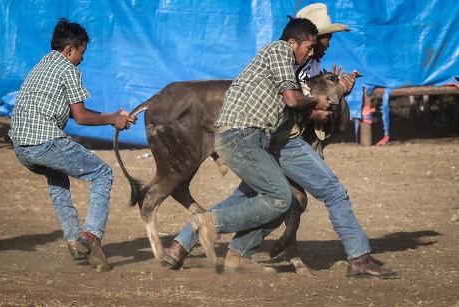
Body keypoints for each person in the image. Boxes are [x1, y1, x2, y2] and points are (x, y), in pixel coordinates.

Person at [164, 3, 397, 278]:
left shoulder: (307, 63)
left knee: (256, 196)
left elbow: (303, 106)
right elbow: (294, 101)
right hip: (278, 139)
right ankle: (358, 259)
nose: (325, 45)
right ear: (306, 38)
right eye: (324, 39)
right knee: (318, 194)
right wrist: (321, 103)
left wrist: (334, 95)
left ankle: (190, 244)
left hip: (269, 137)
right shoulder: (286, 55)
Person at [186, 17, 330, 269]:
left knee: (288, 198)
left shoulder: (284, 65)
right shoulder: (279, 50)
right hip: (242, 135)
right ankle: (210, 222)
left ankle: (238, 256)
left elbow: (290, 105)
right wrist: (317, 101)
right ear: (293, 42)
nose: (310, 53)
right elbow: (293, 100)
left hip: (251, 138)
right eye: (308, 47)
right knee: (280, 198)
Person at [7, 18, 136, 272]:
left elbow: (80, 111)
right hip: (45, 140)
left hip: (21, 147)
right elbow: (81, 117)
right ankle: (90, 236)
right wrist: (113, 119)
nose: (83, 58)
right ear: (70, 50)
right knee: (102, 173)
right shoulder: (69, 69)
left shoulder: (42, 64)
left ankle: (73, 241)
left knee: (58, 181)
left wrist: (113, 118)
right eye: (82, 52)